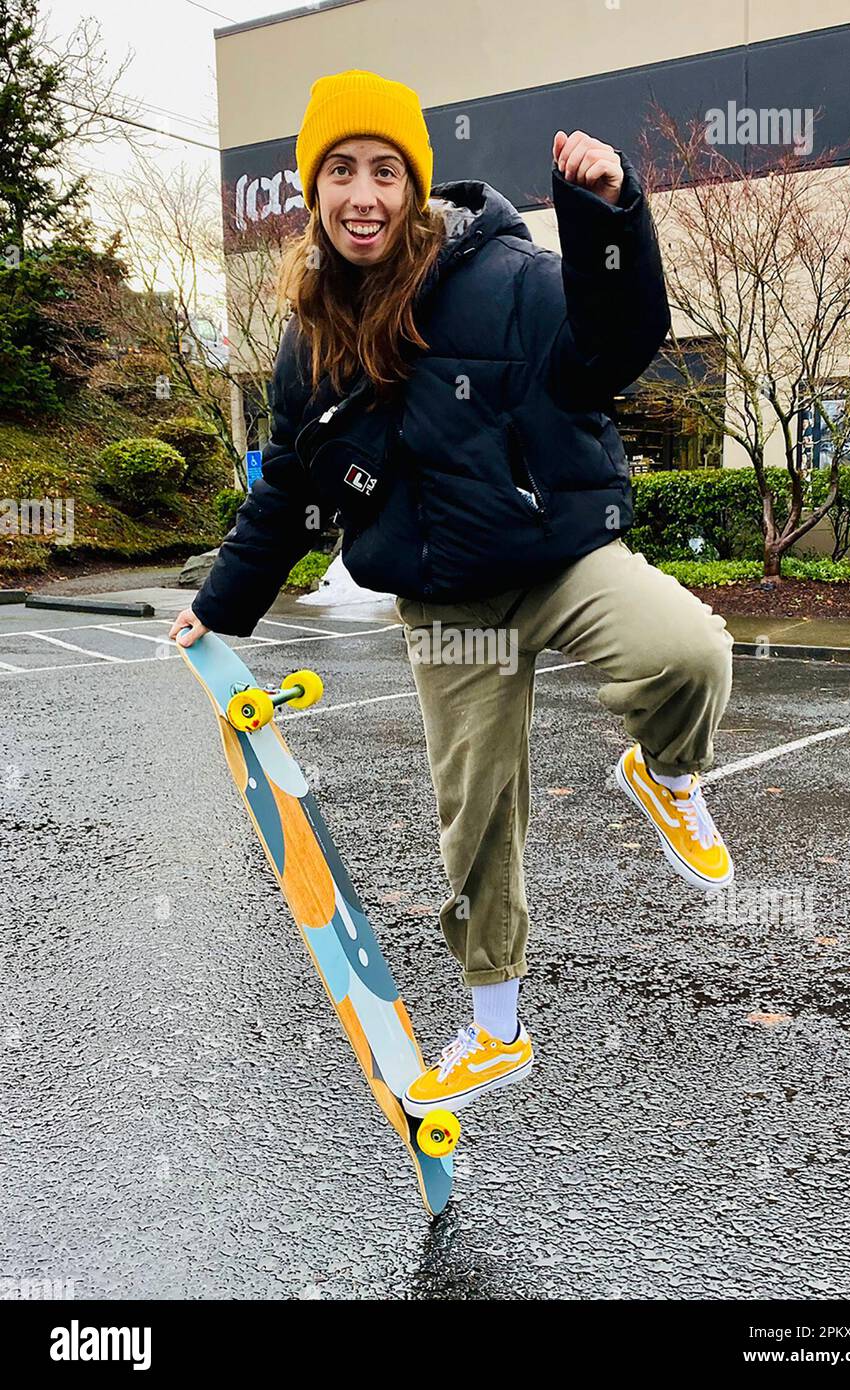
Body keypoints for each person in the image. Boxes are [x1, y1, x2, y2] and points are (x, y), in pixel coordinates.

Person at [169, 68, 735, 1119]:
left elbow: (613, 345)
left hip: (553, 557)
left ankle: (665, 772)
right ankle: (493, 1032)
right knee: (475, 817)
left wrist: (607, 213)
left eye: (385, 171)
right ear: (315, 192)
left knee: (690, 652)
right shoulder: (308, 344)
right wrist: (223, 599)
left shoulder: (506, 275)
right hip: (445, 601)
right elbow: (291, 489)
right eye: (341, 172)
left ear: (415, 185)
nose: (364, 195)